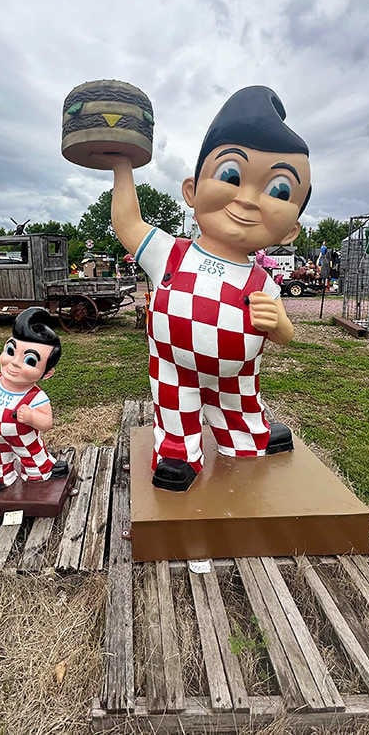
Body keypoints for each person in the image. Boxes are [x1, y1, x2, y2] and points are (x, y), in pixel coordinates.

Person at [104, 85, 312, 491]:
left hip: (237, 373)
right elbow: (128, 223)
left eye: (279, 190)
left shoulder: (263, 279)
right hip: (175, 365)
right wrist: (122, 165)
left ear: (290, 231)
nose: (248, 200)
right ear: (191, 191)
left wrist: (279, 323)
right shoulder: (170, 253)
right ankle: (178, 451)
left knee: (242, 405)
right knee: (175, 405)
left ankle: (249, 435)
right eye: (231, 175)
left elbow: (285, 336)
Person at [0, 307, 68, 496]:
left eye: (30, 361)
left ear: (47, 373)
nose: (15, 362)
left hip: (23, 439)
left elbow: (46, 423)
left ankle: (43, 469)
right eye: (10, 351)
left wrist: (32, 417)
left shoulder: (36, 397)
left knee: (33, 457)